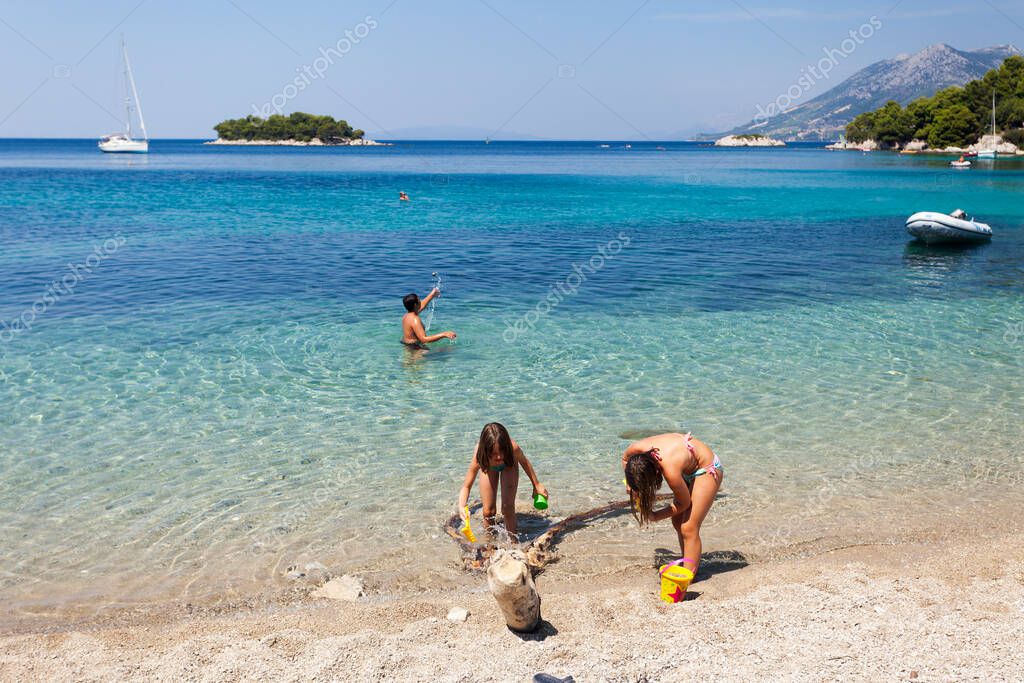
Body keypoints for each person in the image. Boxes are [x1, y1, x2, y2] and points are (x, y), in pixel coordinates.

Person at [622, 432, 722, 576]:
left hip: (707, 468)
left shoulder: (670, 470)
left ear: (656, 472)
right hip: (687, 467)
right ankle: (688, 561)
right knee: (677, 521)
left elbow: (684, 503)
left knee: (688, 527)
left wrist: (656, 516)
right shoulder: (636, 449)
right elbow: (625, 459)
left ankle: (687, 577)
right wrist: (630, 485)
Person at [457, 422, 548, 538]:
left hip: (509, 465)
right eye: (494, 454)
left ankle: (513, 541)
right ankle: (489, 544)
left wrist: (536, 484)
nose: (499, 456)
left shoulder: (512, 448)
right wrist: (461, 506)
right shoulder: (479, 455)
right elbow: (466, 486)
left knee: (508, 508)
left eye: (501, 451)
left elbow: (524, 462)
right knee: (488, 511)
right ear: (485, 451)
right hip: (489, 468)